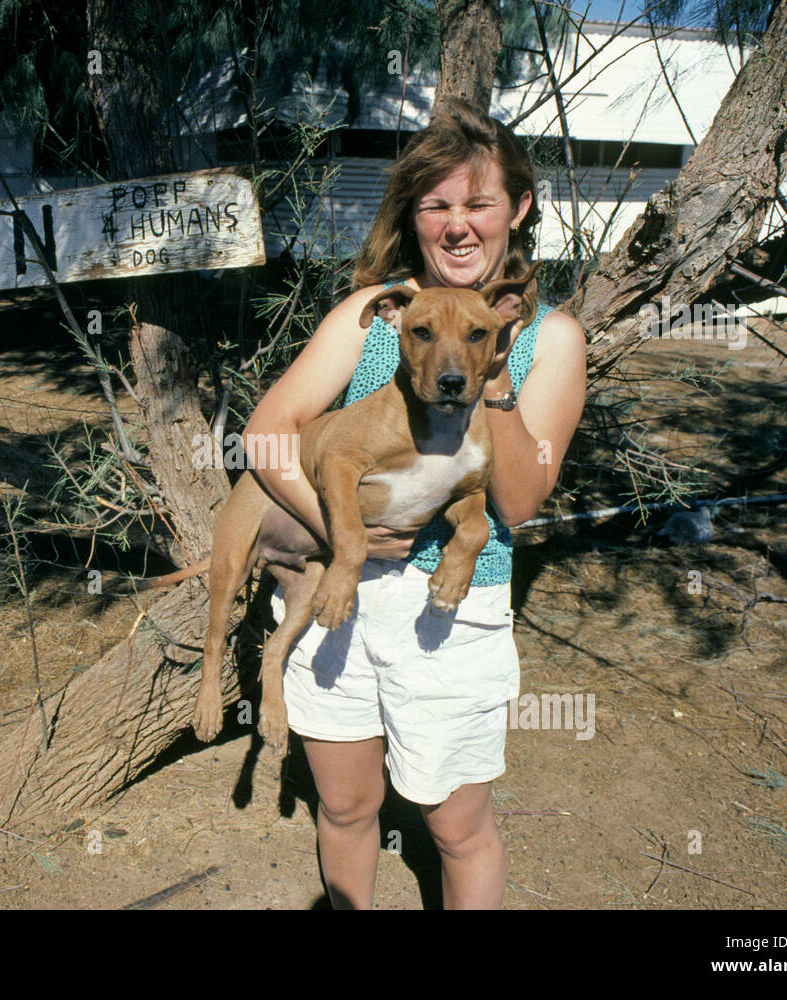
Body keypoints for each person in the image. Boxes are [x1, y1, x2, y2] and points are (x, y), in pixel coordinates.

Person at [242, 97, 587, 909]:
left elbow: (519, 500)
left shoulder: (547, 337)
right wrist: (343, 529)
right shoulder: (374, 315)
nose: (458, 225)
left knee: (456, 826)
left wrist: (490, 377)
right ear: (416, 218)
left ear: (519, 210)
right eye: (437, 206)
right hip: (342, 592)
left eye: (478, 203)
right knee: (347, 804)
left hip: (449, 610)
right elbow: (265, 435)